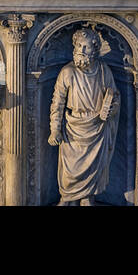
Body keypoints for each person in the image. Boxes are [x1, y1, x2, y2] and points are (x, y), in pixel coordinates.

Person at [49, 26, 119, 206]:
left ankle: (87, 199)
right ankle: (66, 199)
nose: (81, 50)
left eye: (86, 47)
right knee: (69, 174)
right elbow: (57, 103)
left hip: (96, 129)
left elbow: (115, 96)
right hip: (73, 129)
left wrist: (111, 108)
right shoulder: (67, 72)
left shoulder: (104, 71)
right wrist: (55, 130)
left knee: (92, 173)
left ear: (95, 49)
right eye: (79, 46)